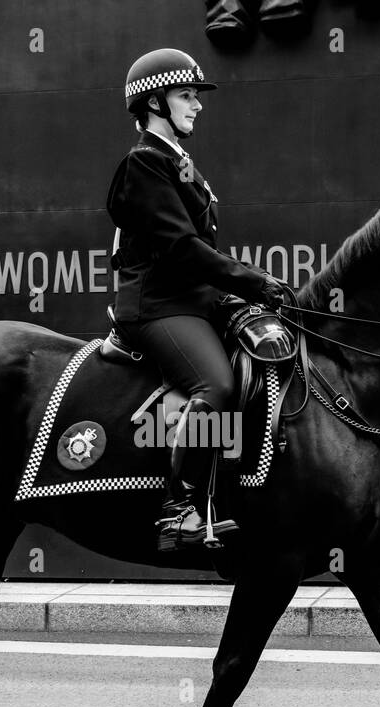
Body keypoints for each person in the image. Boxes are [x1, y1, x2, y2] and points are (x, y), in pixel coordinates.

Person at [106, 48, 290, 550]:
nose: (197, 105)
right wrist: (252, 281)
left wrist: (252, 292)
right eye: (186, 95)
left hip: (195, 301)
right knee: (216, 385)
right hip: (158, 307)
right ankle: (179, 510)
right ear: (154, 102)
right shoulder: (144, 163)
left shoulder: (178, 162)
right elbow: (182, 250)